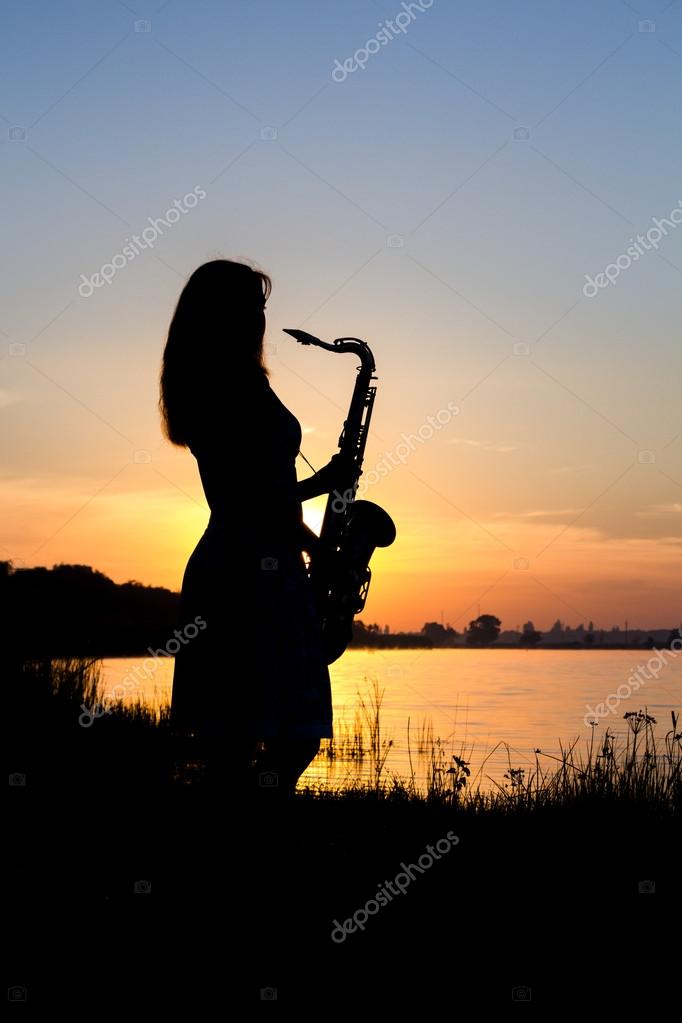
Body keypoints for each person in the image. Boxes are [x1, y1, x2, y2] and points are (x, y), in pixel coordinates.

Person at [160, 259, 345, 797]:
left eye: (262, 308)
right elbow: (247, 497)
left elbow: (271, 494)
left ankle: (243, 831)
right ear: (221, 314)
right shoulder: (219, 387)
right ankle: (241, 842)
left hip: (271, 564)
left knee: (286, 731)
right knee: (242, 736)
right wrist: (323, 494)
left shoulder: (247, 381)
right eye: (251, 307)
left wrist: (315, 544)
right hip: (240, 571)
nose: (261, 320)